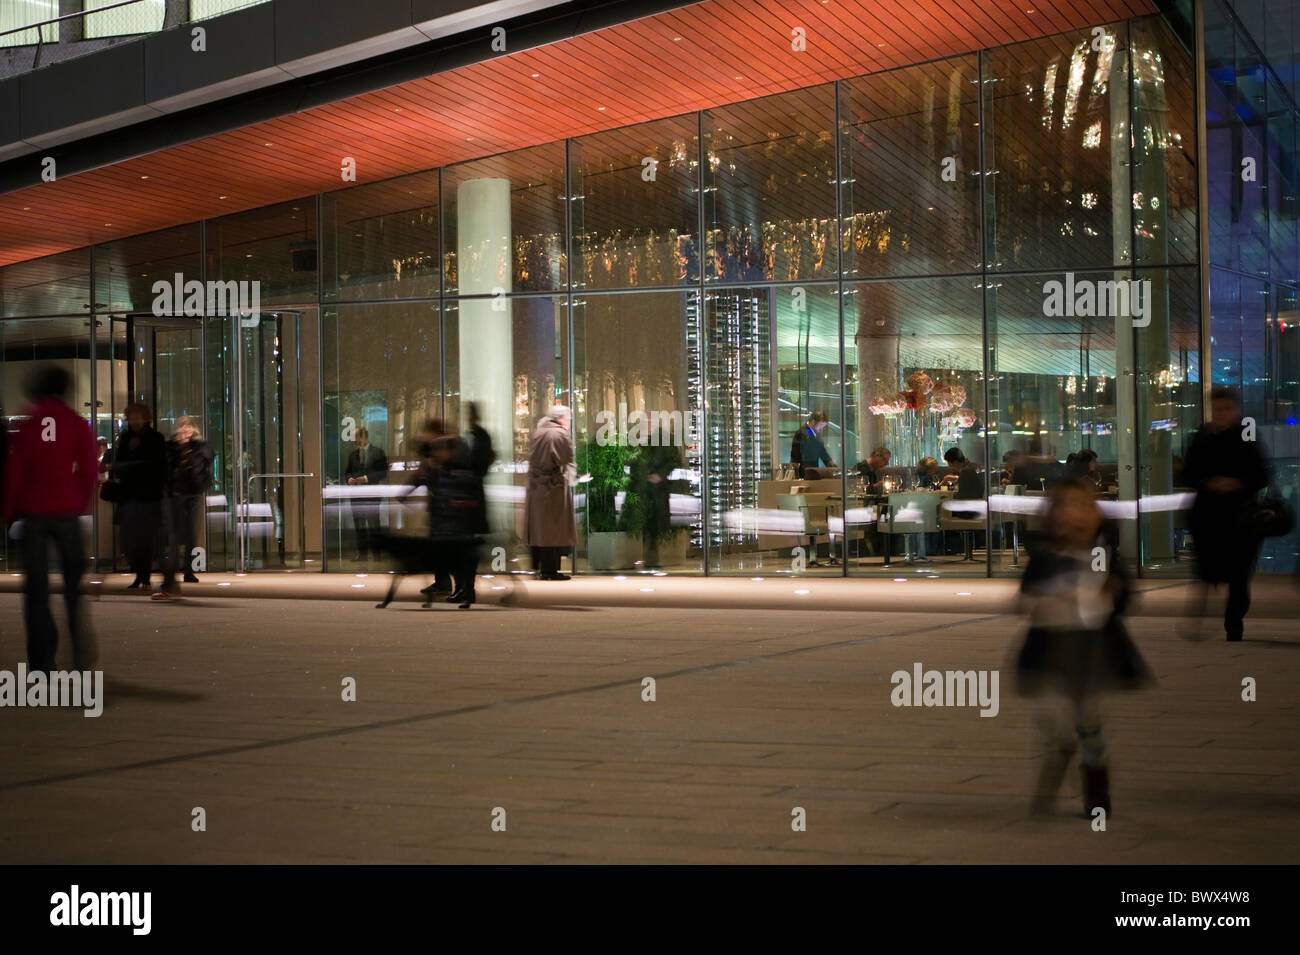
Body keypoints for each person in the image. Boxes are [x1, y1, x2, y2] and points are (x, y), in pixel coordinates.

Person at [1014, 477, 1153, 817]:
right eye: (1062, 508)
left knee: (1088, 717)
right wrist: (1046, 596)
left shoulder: (1099, 553)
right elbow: (1026, 595)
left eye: (1080, 508)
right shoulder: (1045, 555)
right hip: (1051, 647)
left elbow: (1122, 596)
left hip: (1091, 650)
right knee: (1051, 714)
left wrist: (1113, 592)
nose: (1070, 516)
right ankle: (1061, 745)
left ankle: (1096, 781)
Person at [2, 367, 99, 673]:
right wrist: (80, 503)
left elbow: (14, 473)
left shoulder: (28, 424)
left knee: (37, 593)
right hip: (66, 512)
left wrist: (8, 512)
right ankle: (81, 657)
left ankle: (42, 662)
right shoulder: (75, 423)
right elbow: (88, 470)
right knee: (73, 590)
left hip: (34, 514)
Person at [1182, 386, 1269, 641]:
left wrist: (1235, 483)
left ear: (1236, 410)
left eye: (1226, 409)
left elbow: (1261, 475)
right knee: (1209, 568)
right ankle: (1212, 615)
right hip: (1208, 516)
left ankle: (1233, 622)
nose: (1221, 414)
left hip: (1240, 517)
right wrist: (1209, 482)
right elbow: (1189, 472)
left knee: (1239, 573)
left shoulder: (1246, 436)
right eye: (1217, 409)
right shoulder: (1202, 436)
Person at [155, 416, 214, 599]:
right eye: (182, 431)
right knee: (174, 536)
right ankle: (172, 577)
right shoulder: (170, 448)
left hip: (194, 493)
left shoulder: (200, 447)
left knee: (191, 534)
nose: (185, 435)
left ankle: (188, 570)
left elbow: (207, 460)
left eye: (188, 431)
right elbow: (164, 468)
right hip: (175, 495)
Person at [112, 402, 168, 591]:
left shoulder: (155, 438)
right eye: (131, 417)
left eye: (137, 417)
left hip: (148, 496)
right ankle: (139, 573)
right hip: (129, 495)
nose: (134, 421)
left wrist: (132, 466)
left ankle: (144, 575)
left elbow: (158, 467)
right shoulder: (125, 438)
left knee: (146, 538)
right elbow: (119, 463)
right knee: (130, 538)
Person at [524, 404, 576, 580]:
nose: (569, 422)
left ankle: (541, 567)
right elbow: (567, 460)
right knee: (553, 529)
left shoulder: (538, 432)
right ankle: (550, 570)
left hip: (537, 487)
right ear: (561, 419)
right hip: (552, 488)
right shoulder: (559, 434)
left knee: (542, 528)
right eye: (568, 418)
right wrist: (573, 477)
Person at [344, 426, 389, 562]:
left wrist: (366, 478)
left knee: (374, 525)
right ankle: (362, 554)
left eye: (356, 437)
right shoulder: (352, 455)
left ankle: (377, 555)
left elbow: (382, 472)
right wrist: (349, 479)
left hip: (372, 494)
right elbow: (347, 472)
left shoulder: (378, 452)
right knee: (359, 525)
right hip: (356, 495)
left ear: (364, 437)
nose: (354, 441)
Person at [791, 411, 834, 479]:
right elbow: (796, 457)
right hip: (803, 474)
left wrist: (830, 463)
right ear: (813, 422)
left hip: (810, 474)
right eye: (820, 425)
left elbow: (820, 450)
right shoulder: (803, 433)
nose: (821, 429)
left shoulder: (812, 433)